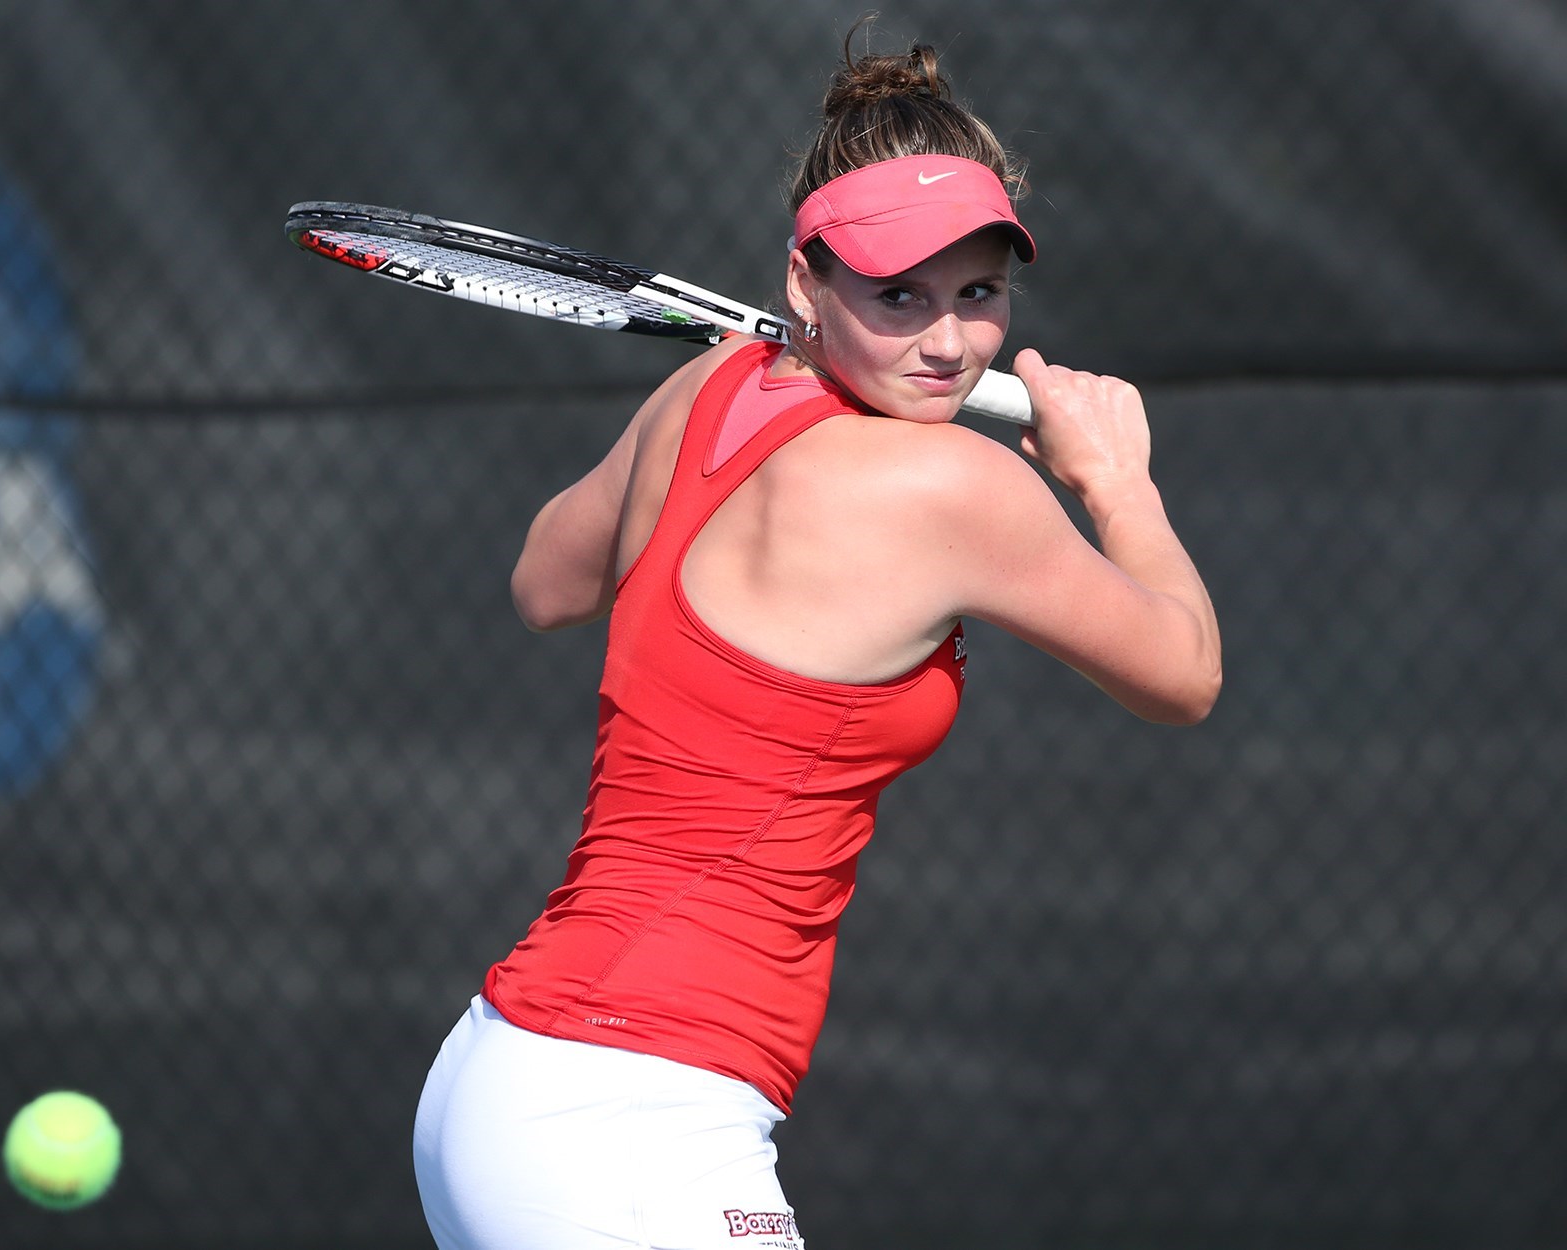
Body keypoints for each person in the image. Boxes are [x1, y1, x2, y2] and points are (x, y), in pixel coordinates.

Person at [413, 30, 1221, 1250]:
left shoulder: (704, 391)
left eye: (977, 293)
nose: (947, 343)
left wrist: (755, 384)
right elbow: (1183, 674)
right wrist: (1118, 487)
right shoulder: (951, 488)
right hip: (625, 1118)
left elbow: (546, 578)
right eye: (897, 296)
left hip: (510, 1076)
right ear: (805, 282)